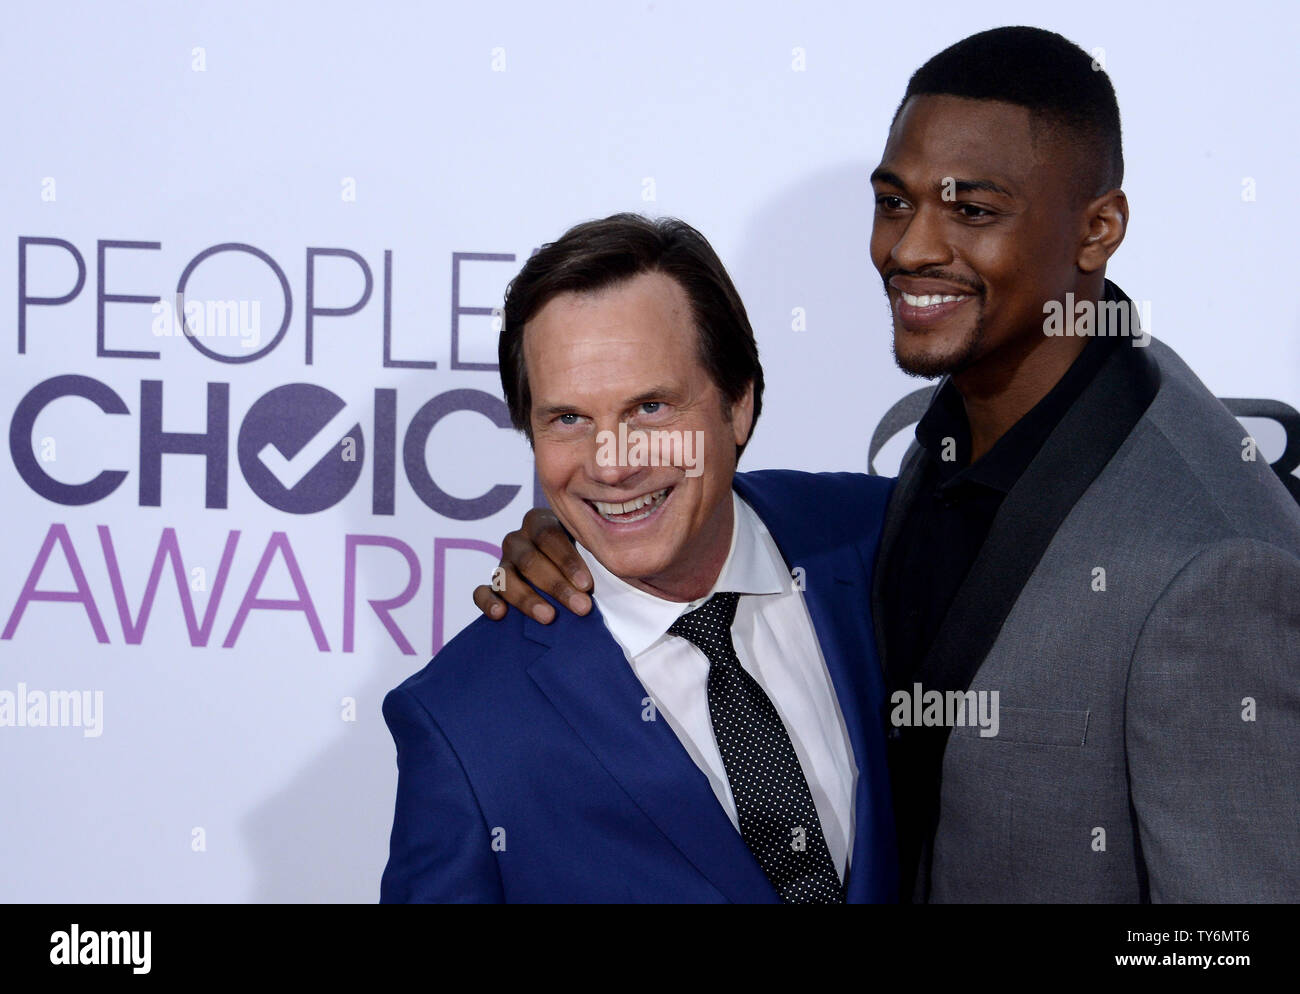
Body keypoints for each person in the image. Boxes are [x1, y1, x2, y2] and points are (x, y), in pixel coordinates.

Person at [472, 27, 1300, 903]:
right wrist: (597, 530)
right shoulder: (963, 436)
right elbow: (800, 533)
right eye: (895, 203)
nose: (909, 250)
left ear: (1098, 230)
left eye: (972, 212)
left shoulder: (1216, 568)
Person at [381, 214, 898, 902]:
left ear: (738, 404)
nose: (613, 464)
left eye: (650, 408)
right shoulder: (466, 726)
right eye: (567, 419)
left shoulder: (880, 538)